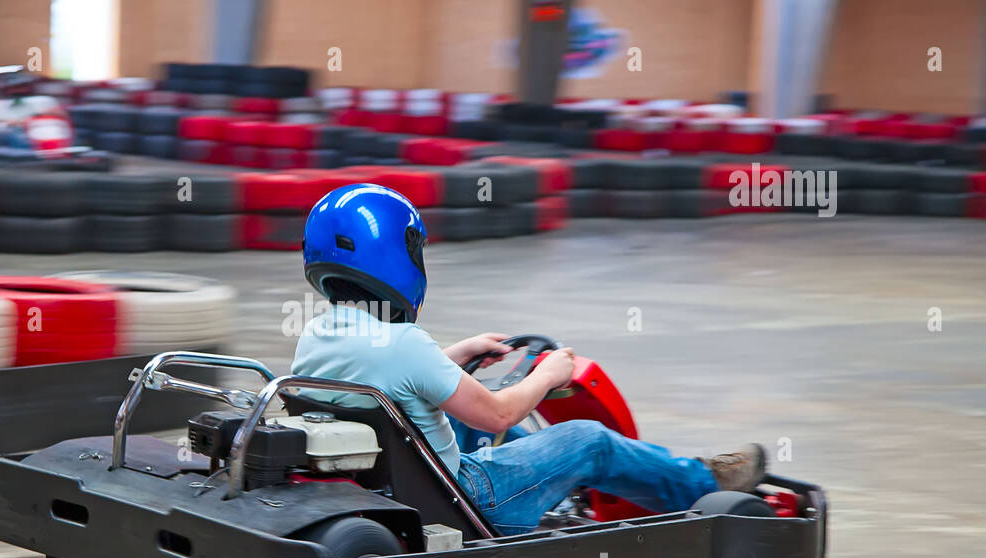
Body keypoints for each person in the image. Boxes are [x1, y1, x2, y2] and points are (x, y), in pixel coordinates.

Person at [291, 183, 766, 536]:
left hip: (393, 480)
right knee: (588, 439)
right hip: (467, 498)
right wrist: (547, 375)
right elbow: (501, 411)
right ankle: (702, 484)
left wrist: (459, 352)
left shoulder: (319, 332)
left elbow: (384, 379)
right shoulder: (405, 344)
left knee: (484, 429)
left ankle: (594, 481)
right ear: (395, 253)